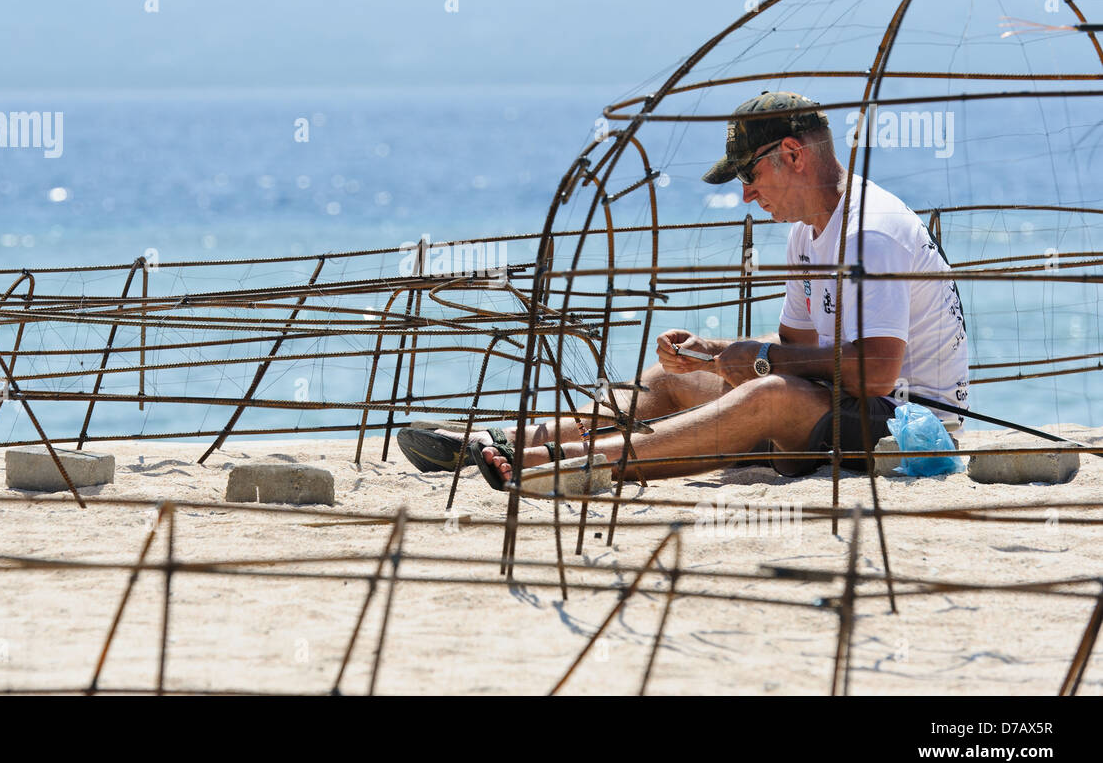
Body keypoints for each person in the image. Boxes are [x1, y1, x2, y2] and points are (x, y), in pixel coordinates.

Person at [399, 91, 969, 485]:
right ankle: (505, 439)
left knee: (766, 395)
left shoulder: (871, 230)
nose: (746, 193)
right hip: (844, 405)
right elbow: (798, 350)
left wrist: (763, 363)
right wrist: (717, 353)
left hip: (907, 426)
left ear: (792, 155)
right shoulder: (806, 233)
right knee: (671, 378)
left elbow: (875, 373)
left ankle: (563, 462)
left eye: (749, 174)